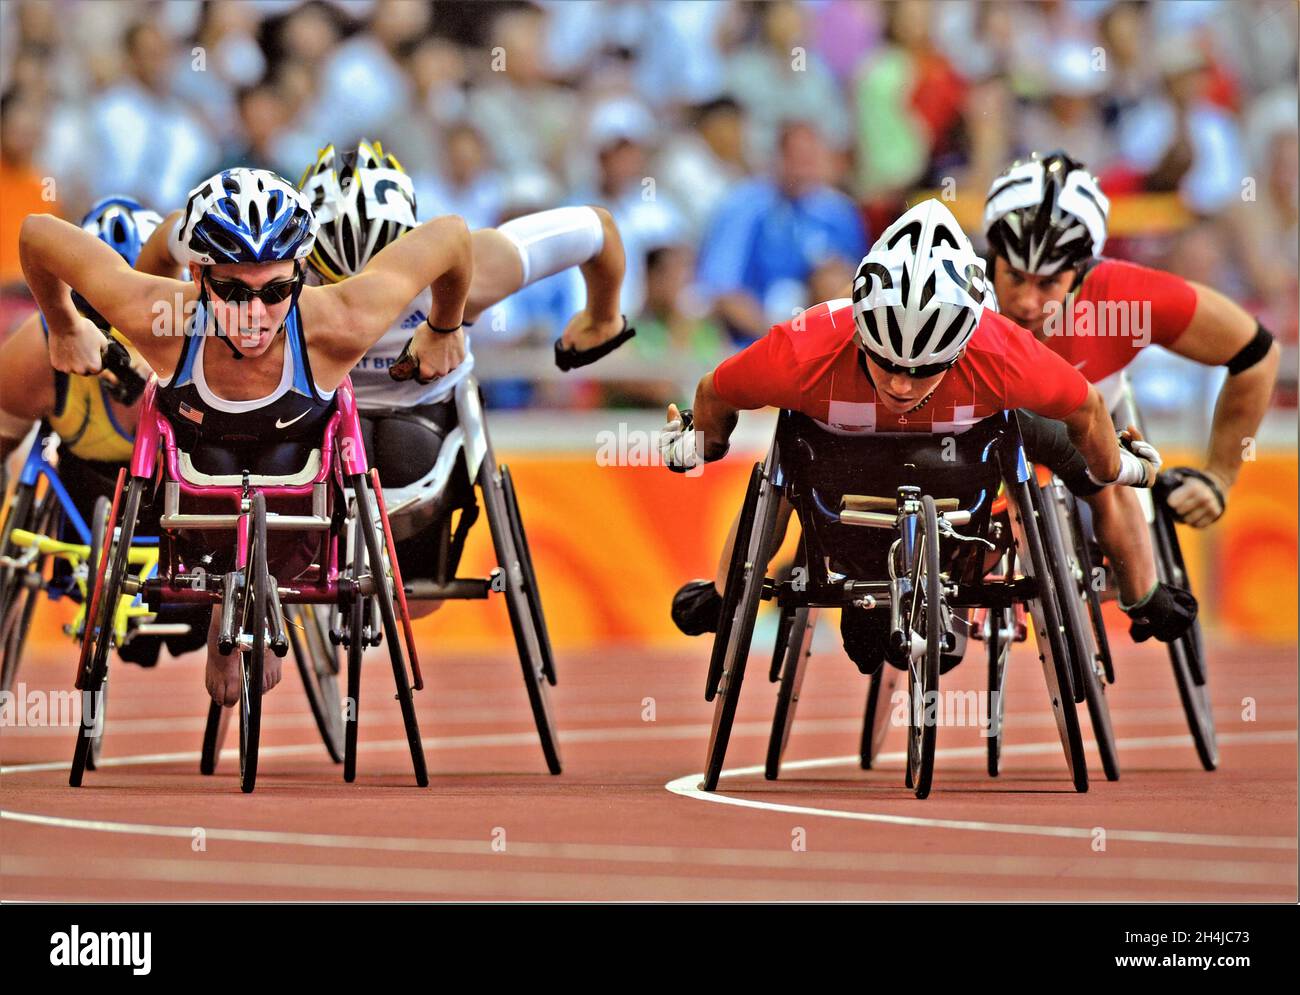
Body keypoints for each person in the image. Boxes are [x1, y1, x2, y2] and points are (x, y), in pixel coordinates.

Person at [21, 166, 472, 707]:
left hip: (300, 490)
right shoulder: (160, 318)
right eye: (233, 291)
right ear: (197, 275)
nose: (255, 314)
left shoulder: (341, 319)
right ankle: (225, 600)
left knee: (287, 460)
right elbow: (35, 234)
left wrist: (443, 328)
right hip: (197, 491)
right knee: (206, 456)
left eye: (277, 289)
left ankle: (262, 595)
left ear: (302, 274)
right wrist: (65, 325)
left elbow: (451, 235)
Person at [662, 199, 1171, 676]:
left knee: (1083, 468)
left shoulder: (1002, 351)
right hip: (844, 485)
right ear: (860, 334)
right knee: (784, 463)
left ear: (962, 347)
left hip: (963, 483)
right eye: (885, 365)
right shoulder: (803, 348)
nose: (901, 385)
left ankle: (1143, 593)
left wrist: (1117, 469)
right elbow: (716, 392)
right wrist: (700, 445)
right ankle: (730, 591)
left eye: (925, 371)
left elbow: (1087, 409)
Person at [294, 139, 630, 612]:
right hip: (359, 435)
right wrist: (603, 318)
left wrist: (601, 317)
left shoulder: (472, 266)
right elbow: (599, 228)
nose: (360, 312)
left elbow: (599, 227)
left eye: (378, 291)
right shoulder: (475, 263)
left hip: (384, 440)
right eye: (338, 289)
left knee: (416, 592)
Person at [983, 150, 1279, 617]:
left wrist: (1220, 476)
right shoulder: (959, 291)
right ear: (990, 258)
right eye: (1013, 277)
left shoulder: (1127, 298)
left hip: (1097, 417)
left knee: (1111, 471)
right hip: (993, 423)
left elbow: (1258, 354)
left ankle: (1137, 586)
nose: (1024, 301)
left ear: (1080, 272)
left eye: (1047, 284)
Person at [0, 195, 209, 667]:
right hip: (87, 509)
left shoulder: (201, 341)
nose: (122, 334)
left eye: (135, 315)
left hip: (183, 518)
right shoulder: (36, 353)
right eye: (104, 315)